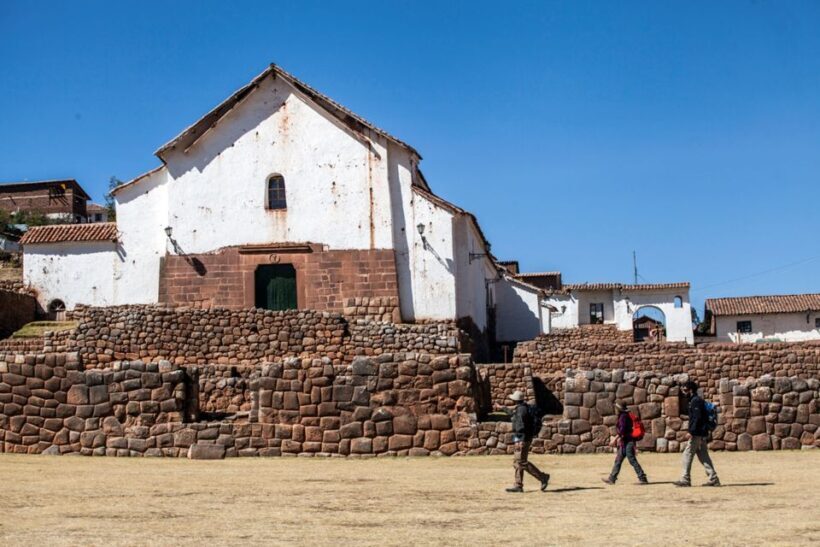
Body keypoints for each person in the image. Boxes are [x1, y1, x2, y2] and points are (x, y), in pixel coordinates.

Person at [500, 390, 550, 493]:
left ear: (515, 400)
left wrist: (520, 440)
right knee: (517, 462)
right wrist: (502, 408)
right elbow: (512, 414)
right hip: (522, 438)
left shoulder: (521, 410)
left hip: (522, 438)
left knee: (521, 462)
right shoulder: (522, 408)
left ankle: (542, 477)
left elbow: (520, 426)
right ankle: (518, 485)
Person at [674, 381, 721, 487]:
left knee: (687, 454)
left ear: (691, 390)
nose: (683, 392)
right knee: (703, 455)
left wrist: (691, 431)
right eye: (683, 390)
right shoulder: (695, 400)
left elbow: (697, 418)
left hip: (697, 433)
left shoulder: (695, 401)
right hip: (701, 432)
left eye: (685, 390)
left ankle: (685, 479)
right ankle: (713, 478)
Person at [602, 402, 648, 485]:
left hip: (629, 442)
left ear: (619, 409)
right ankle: (612, 478)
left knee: (632, 460)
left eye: (616, 408)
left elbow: (622, 430)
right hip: (625, 442)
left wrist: (615, 439)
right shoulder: (624, 416)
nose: (615, 410)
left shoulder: (624, 417)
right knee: (618, 460)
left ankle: (642, 478)